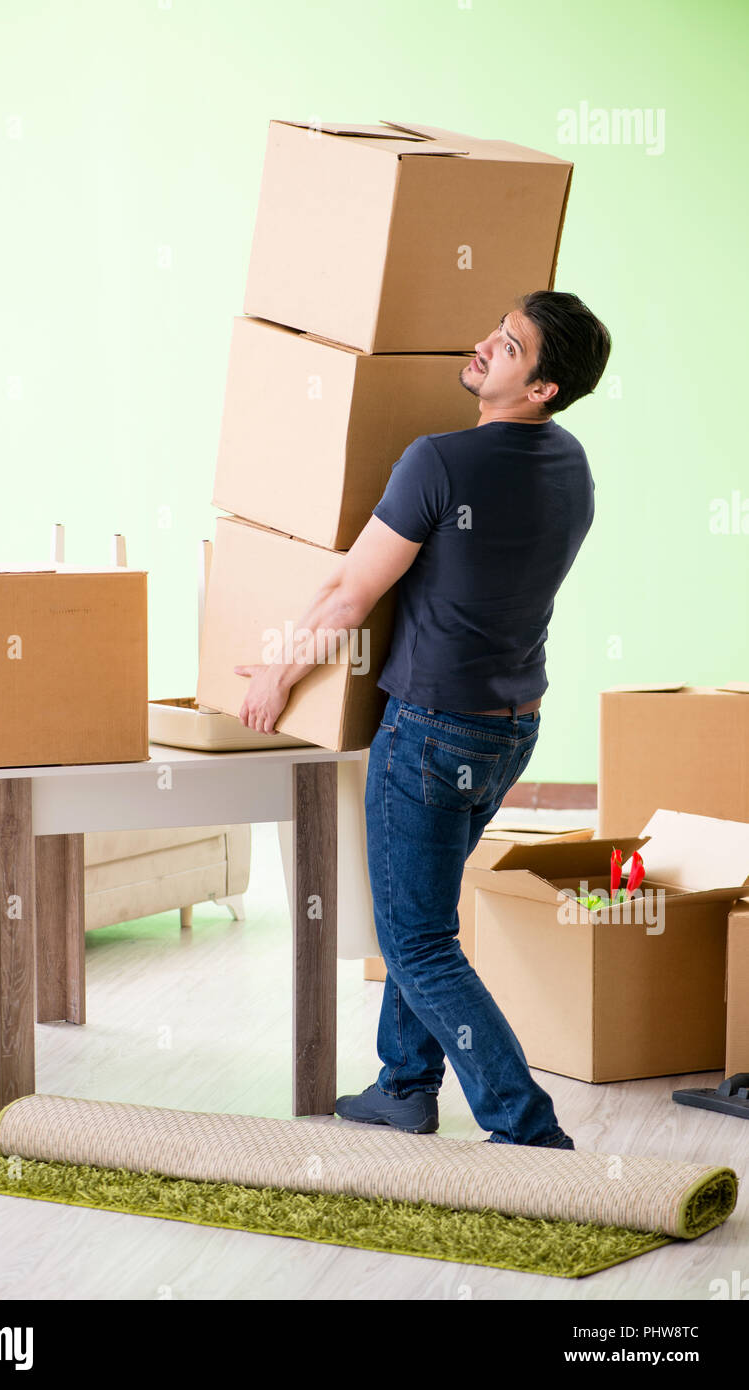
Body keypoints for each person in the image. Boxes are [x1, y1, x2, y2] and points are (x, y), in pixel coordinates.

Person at [234, 289, 612, 1147]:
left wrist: (276, 676)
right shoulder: (571, 465)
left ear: (541, 385)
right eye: (497, 327)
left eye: (508, 346)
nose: (484, 344)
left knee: (415, 940)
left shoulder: (440, 461)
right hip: (510, 727)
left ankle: (525, 1129)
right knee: (425, 909)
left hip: (432, 732)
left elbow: (346, 592)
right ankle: (404, 1086)